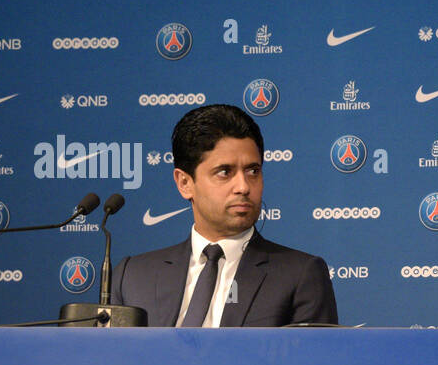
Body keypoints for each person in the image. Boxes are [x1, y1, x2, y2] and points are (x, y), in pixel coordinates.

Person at [112, 104, 337, 327]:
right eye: (224, 172)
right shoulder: (133, 275)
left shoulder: (299, 275)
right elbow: (114, 360)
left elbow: (310, 362)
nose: (243, 186)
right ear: (184, 183)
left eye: (253, 171)